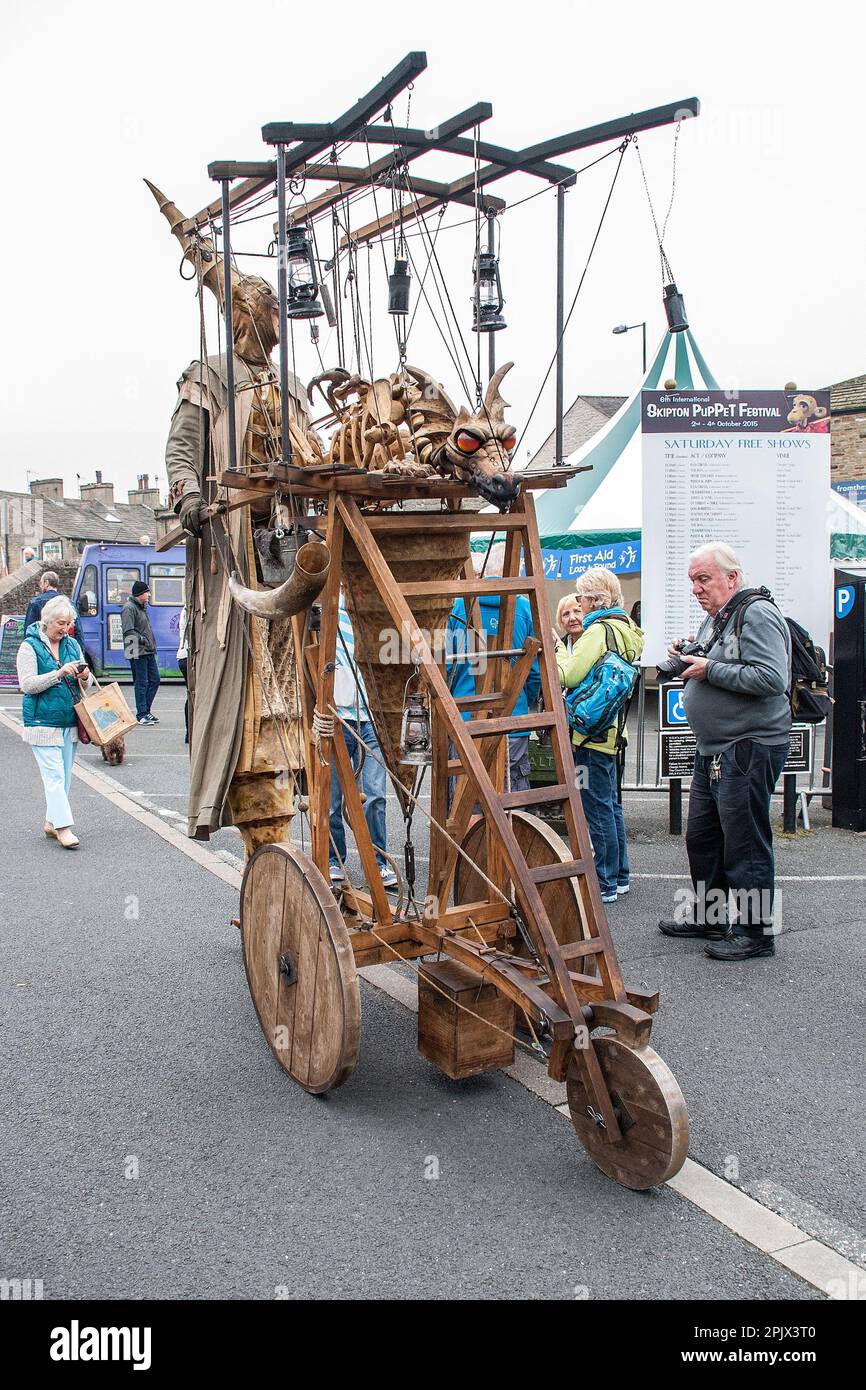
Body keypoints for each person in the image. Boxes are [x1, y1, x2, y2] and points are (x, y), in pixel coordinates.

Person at [150, 180, 319, 852]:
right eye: (272, 309)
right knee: (246, 699)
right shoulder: (210, 374)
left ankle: (294, 857)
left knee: (298, 696)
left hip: (288, 550)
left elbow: (314, 452)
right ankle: (264, 857)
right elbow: (181, 450)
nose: (280, 321)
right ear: (248, 315)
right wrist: (189, 494)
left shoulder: (292, 385)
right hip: (234, 561)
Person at [656, 542, 791, 961]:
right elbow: (720, 665)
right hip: (716, 747)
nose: (696, 589)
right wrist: (688, 659)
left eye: (704, 579)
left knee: (744, 842)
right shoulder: (718, 619)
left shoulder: (757, 613)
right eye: (693, 581)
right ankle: (711, 917)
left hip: (748, 746)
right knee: (704, 837)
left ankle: (755, 933)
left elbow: (772, 677)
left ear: (731, 578)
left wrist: (708, 668)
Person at [556, 567, 644, 904]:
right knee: (612, 806)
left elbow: (569, 674)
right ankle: (619, 875)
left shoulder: (598, 632)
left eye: (582, 597)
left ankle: (604, 881)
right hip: (614, 731)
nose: (580, 604)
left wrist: (555, 646)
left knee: (596, 808)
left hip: (590, 733)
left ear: (593, 599)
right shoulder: (628, 630)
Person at [447, 546, 541, 795]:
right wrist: (520, 700)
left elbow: (446, 666)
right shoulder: (525, 609)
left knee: (467, 798)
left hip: (465, 717)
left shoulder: (458, 607)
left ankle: (469, 834)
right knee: (510, 797)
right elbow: (534, 673)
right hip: (513, 719)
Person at [17, 595, 94, 849]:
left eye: (68, 623)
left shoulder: (72, 644)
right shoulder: (29, 646)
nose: (65, 628)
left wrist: (84, 676)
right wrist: (58, 673)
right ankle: (64, 828)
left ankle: (52, 821)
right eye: (61, 623)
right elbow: (27, 684)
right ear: (46, 621)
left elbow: (87, 681)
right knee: (54, 776)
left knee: (64, 777)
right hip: (41, 721)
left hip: (69, 719)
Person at [329, 599, 397, 887]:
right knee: (332, 799)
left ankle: (379, 862)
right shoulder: (326, 614)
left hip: (370, 720)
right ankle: (334, 860)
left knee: (375, 795)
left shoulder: (374, 615)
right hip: (337, 720)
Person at [122, 581, 160, 725]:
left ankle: (146, 711)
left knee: (155, 680)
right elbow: (128, 631)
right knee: (141, 683)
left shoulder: (141, 607)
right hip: (136, 651)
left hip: (147, 650)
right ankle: (141, 714)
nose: (149, 594)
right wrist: (143, 640)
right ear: (140, 594)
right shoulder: (129, 608)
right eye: (147, 592)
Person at [177, 604, 189, 744]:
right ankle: (190, 732)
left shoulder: (186, 608)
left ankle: (189, 733)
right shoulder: (189, 609)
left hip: (183, 656)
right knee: (193, 695)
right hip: (188, 656)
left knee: (191, 694)